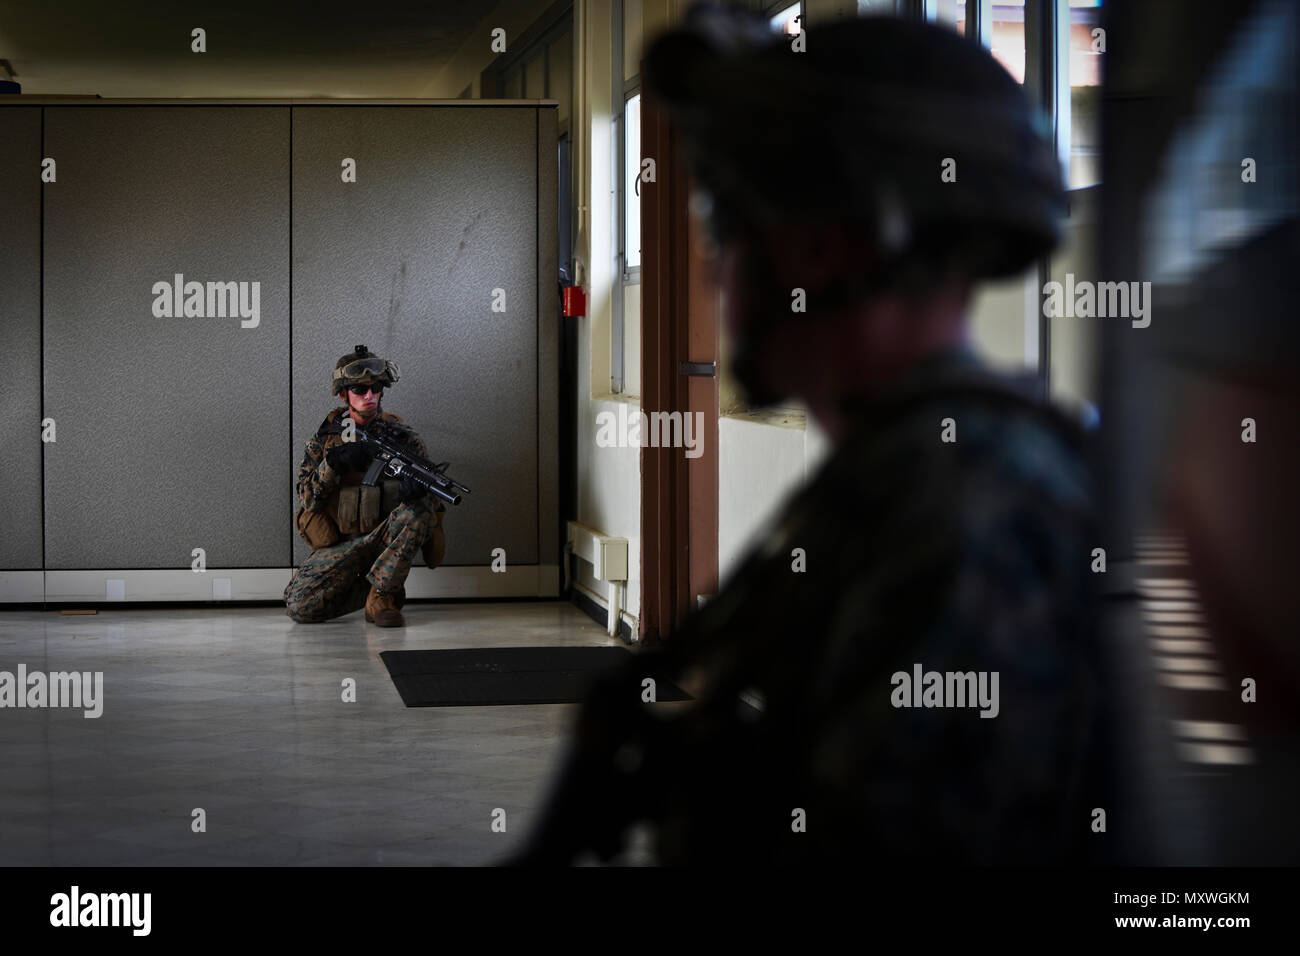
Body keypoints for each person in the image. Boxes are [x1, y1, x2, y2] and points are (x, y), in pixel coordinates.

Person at [512, 6, 1118, 865]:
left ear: (823, 250)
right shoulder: (897, 474)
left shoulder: (967, 508)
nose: (713, 271)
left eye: (728, 229)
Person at [284, 345, 447, 628]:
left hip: (386, 539)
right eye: (360, 390)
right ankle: (382, 584)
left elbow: (430, 501)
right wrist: (333, 464)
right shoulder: (324, 442)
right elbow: (307, 500)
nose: (369, 396)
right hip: (344, 545)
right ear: (343, 393)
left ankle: (382, 595)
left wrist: (419, 491)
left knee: (420, 508)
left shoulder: (405, 440)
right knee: (301, 607)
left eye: (376, 388)